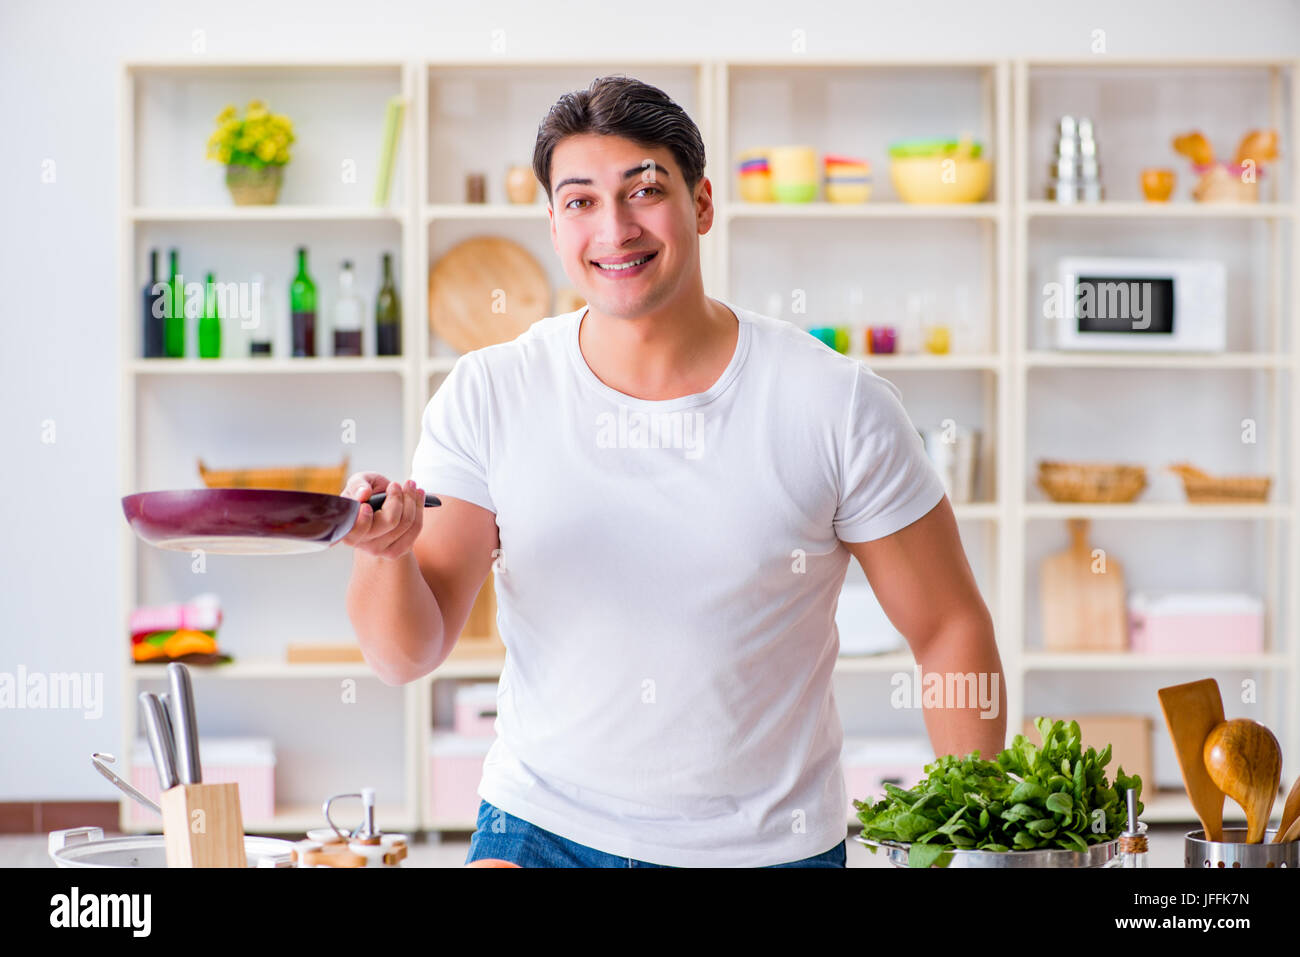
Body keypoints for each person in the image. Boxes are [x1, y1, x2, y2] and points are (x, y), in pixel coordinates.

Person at [342, 75, 1004, 869]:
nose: (614, 229)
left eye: (645, 191)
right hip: (540, 829)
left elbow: (949, 627)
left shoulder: (834, 401)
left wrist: (973, 840)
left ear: (703, 204)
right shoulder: (491, 392)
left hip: (772, 848)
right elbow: (404, 655)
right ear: (553, 223)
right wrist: (383, 556)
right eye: (581, 201)